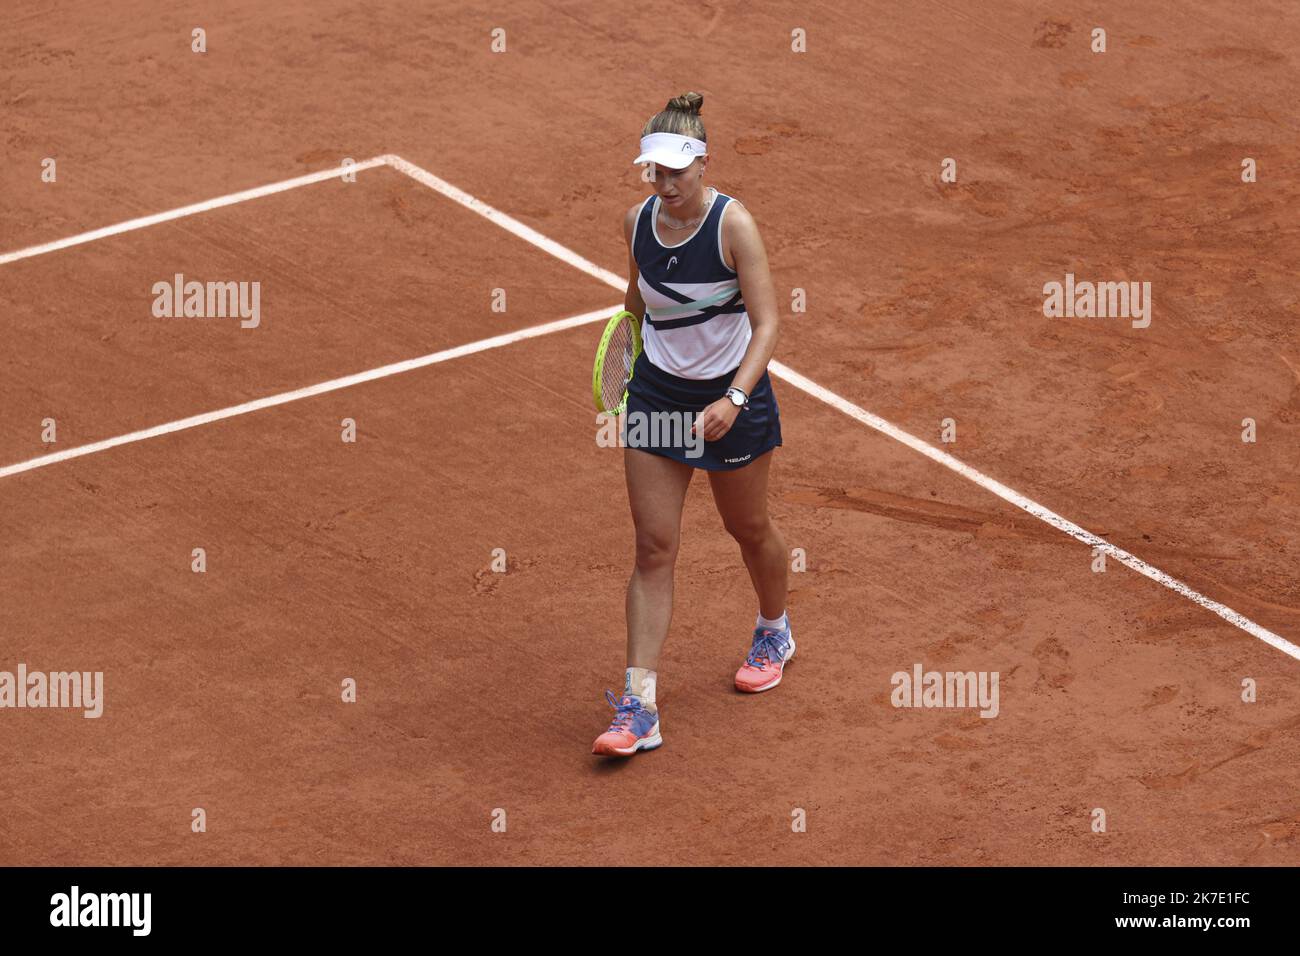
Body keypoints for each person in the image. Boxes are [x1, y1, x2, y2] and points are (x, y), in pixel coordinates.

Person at [592, 91, 795, 758]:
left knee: (749, 528)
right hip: (658, 401)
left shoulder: (735, 226)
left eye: (678, 170)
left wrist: (734, 399)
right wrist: (624, 371)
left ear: (703, 163)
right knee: (653, 547)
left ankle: (774, 629)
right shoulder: (636, 223)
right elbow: (635, 305)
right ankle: (639, 705)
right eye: (656, 170)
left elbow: (767, 323)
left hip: (729, 405)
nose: (666, 183)